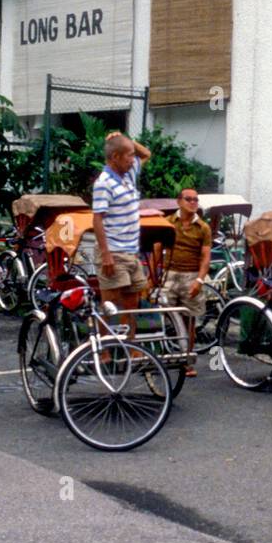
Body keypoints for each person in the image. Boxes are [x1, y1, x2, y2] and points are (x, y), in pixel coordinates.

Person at [92, 130, 152, 326]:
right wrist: (105, 254)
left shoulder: (129, 175)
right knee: (110, 305)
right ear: (115, 157)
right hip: (114, 252)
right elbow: (97, 219)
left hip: (131, 252)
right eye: (128, 155)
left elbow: (147, 154)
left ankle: (132, 349)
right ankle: (105, 351)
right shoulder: (104, 183)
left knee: (132, 305)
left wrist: (126, 140)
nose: (133, 159)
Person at [155, 187, 213, 376]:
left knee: (189, 321)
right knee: (162, 319)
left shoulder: (203, 227)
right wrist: (155, 275)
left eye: (196, 200)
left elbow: (205, 257)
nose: (193, 203)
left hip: (191, 275)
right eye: (189, 199)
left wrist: (199, 280)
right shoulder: (168, 223)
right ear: (179, 201)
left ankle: (187, 361)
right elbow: (157, 248)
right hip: (169, 274)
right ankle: (159, 358)